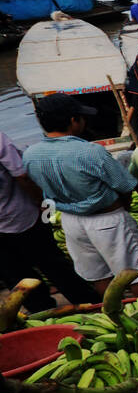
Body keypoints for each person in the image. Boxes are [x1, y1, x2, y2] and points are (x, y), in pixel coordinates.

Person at [22, 94, 138, 293]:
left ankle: (114, 317)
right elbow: (124, 186)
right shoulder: (90, 151)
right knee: (135, 274)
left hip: (71, 222)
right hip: (108, 220)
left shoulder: (30, 154)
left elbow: (39, 188)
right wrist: (124, 209)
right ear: (73, 121)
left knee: (98, 275)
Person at [0, 128, 99, 311]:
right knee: (52, 262)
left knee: (15, 272)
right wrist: (41, 201)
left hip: (12, 218)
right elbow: (21, 174)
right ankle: (89, 303)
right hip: (21, 216)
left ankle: (43, 313)